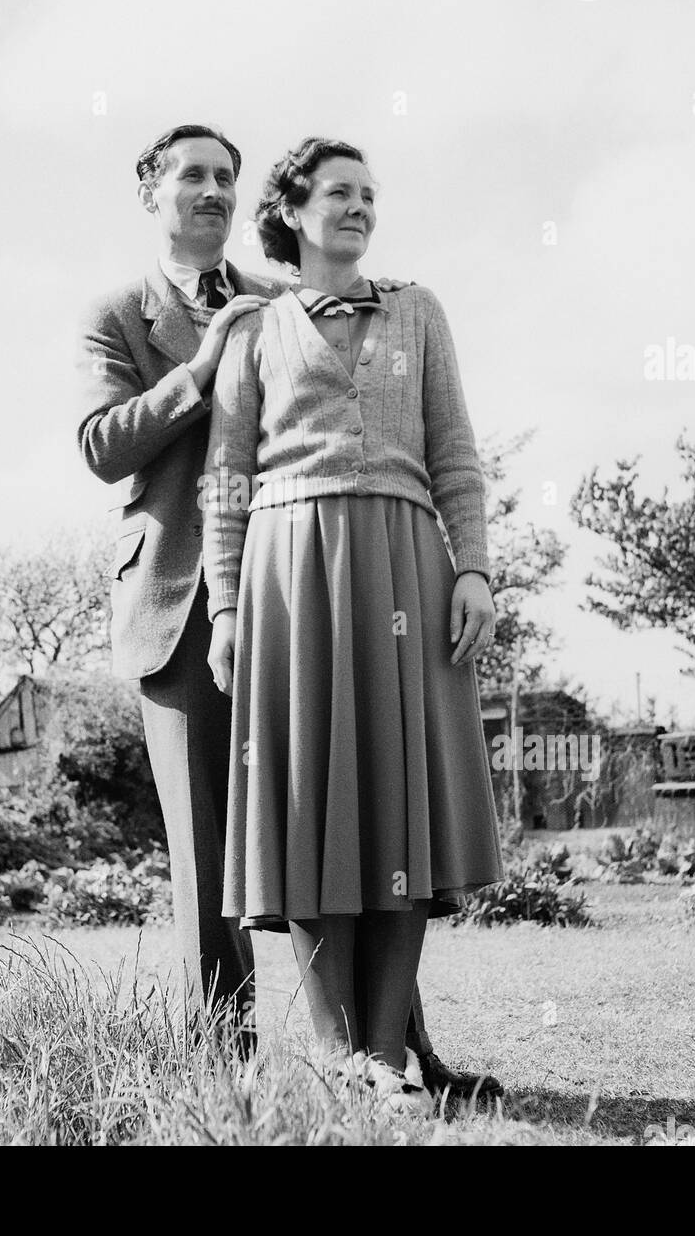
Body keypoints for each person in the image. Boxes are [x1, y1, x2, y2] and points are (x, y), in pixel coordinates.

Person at [77, 123, 498, 1103]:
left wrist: (465, 562)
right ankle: (230, 1076)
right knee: (235, 850)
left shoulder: (298, 303)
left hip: (336, 580)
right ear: (152, 192)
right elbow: (107, 446)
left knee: (367, 807)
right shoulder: (122, 315)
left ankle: (386, 1052)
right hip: (203, 602)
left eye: (227, 174)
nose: (212, 190)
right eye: (192, 176)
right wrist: (200, 368)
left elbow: (424, 432)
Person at [202, 136, 504, 1112]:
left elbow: (455, 453)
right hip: (291, 573)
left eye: (371, 194)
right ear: (290, 210)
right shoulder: (253, 331)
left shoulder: (420, 311)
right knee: (310, 809)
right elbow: (224, 480)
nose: (360, 207)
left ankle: (387, 1053)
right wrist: (226, 607)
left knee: (399, 800)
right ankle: (338, 1055)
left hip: (410, 569)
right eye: (339, 192)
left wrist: (475, 574)